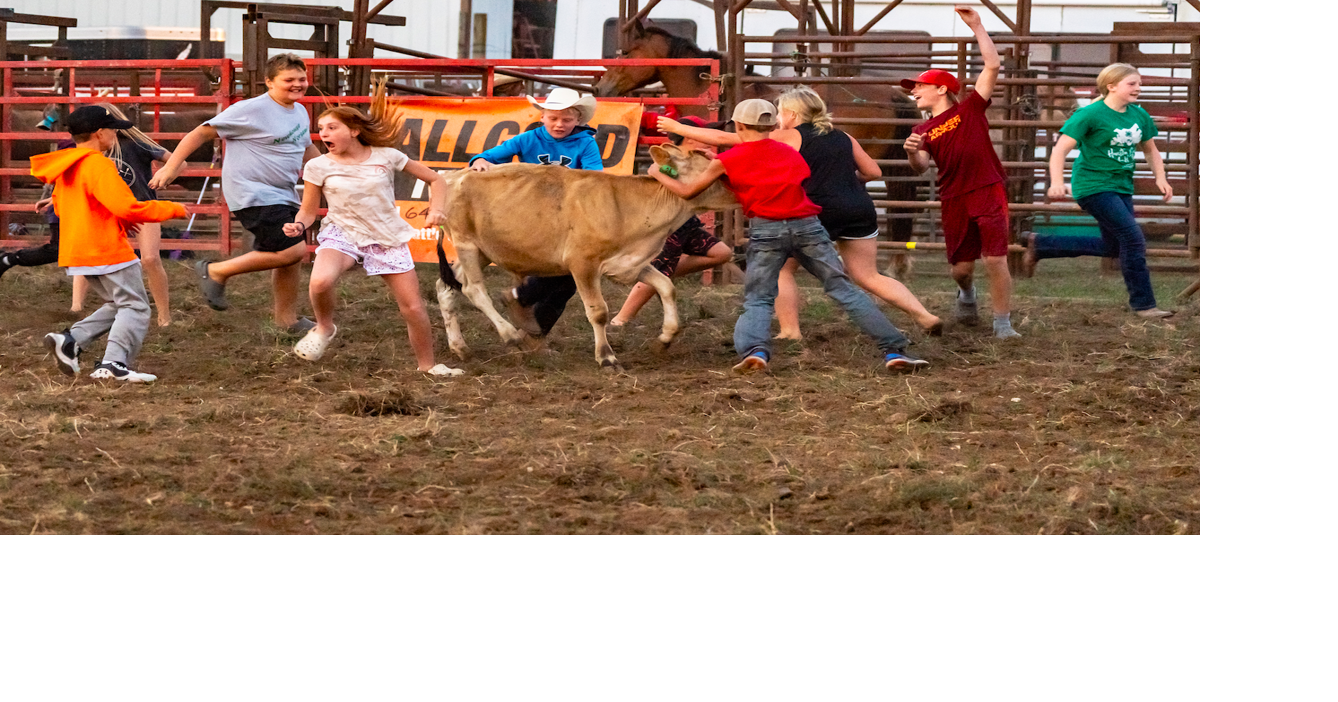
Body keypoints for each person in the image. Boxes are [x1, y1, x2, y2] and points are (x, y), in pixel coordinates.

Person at [651, 98, 928, 374]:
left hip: (766, 229)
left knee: (758, 296)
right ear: (772, 125)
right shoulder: (792, 153)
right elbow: (796, 177)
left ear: (737, 124)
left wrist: (659, 172)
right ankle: (893, 349)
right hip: (807, 225)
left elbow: (690, 191)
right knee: (843, 289)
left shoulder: (728, 159)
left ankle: (755, 351)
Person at [285, 83, 463, 377]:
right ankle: (324, 327)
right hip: (342, 231)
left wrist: (438, 209)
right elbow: (308, 209)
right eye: (321, 129)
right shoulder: (318, 166)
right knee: (319, 282)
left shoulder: (387, 156)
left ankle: (428, 366)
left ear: (354, 130)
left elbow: (436, 180)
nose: (324, 134)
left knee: (413, 308)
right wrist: (299, 224)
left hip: (386, 236)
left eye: (331, 127)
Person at [148, 53, 320, 333]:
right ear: (269, 82)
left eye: (301, 79)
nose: (297, 84)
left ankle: (286, 319)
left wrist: (332, 171)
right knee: (293, 249)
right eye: (289, 80)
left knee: (287, 256)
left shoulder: (298, 111)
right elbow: (200, 133)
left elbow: (306, 148)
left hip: (284, 193)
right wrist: (171, 167)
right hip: (253, 192)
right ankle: (216, 271)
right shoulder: (251, 109)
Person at [32, 105, 187, 382]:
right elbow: (127, 207)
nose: (116, 133)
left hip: (77, 250)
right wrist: (172, 209)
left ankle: (70, 340)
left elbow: (69, 204)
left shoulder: (69, 165)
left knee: (120, 302)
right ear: (99, 133)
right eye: (113, 128)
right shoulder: (99, 164)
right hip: (104, 248)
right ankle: (114, 364)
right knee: (136, 307)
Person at [903, 6, 1020, 339]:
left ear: (942, 89)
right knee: (960, 270)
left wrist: (978, 26)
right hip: (953, 195)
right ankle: (967, 293)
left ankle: (1002, 323)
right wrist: (912, 153)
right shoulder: (921, 128)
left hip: (986, 187)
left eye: (919, 86)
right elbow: (922, 167)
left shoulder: (970, 107)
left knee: (995, 259)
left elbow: (993, 65)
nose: (913, 91)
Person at [1037, 63, 1176, 319]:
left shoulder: (1139, 115)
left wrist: (1161, 177)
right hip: (1093, 186)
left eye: (1139, 83)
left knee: (1115, 246)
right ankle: (1144, 305)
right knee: (1133, 239)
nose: (1138, 88)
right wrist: (1057, 181)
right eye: (1132, 84)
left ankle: (1041, 245)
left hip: (1121, 186)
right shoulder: (1089, 114)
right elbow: (1060, 150)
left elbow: (1150, 149)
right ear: (1111, 86)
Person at [467, 87, 604, 337]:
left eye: (567, 119)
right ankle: (526, 311)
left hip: (568, 216)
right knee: (568, 271)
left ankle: (527, 313)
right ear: (542, 117)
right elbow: (489, 156)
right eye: (553, 118)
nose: (559, 124)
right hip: (532, 213)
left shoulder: (586, 143)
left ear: (578, 120)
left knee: (569, 278)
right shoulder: (528, 139)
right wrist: (480, 161)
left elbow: (595, 178)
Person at [610, 117, 731, 327]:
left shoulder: (702, 158)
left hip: (687, 222)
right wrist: (660, 172)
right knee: (660, 269)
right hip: (668, 224)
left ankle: (662, 276)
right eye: (703, 135)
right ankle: (620, 320)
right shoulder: (669, 161)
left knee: (722, 253)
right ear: (690, 139)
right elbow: (667, 177)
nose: (708, 139)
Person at [0, 140, 73, 283]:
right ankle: (9, 259)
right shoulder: (74, 150)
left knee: (72, 255)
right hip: (64, 212)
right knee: (57, 251)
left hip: (70, 211)